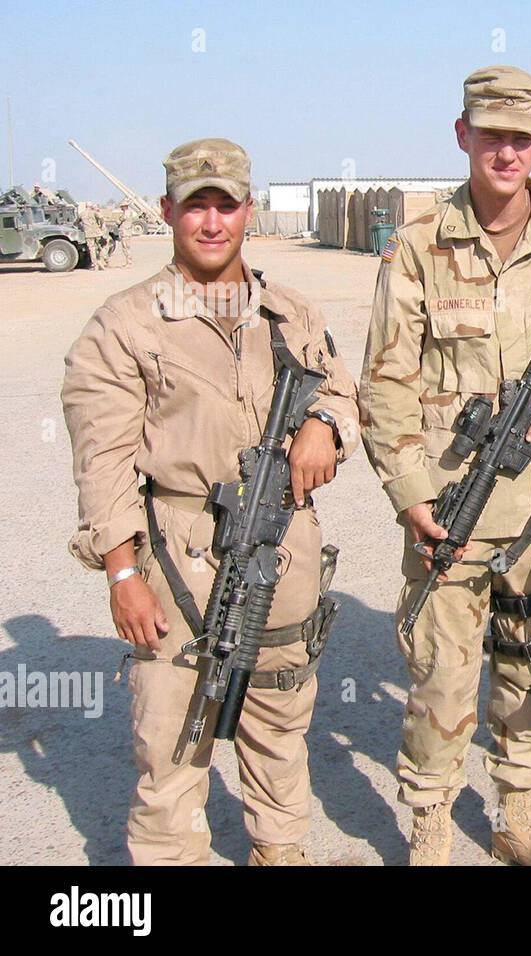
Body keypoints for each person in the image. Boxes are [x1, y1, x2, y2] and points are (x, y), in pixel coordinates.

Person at [359, 65, 531, 866]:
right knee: (442, 679)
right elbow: (384, 383)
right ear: (463, 137)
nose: (507, 152)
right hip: (452, 507)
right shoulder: (418, 246)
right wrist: (411, 493)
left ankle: (519, 816)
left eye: (522, 138)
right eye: (493, 137)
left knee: (529, 668)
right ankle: (431, 828)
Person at [61, 138, 360, 865]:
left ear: (248, 211)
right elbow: (102, 460)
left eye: (226, 204)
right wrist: (122, 574)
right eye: (196, 205)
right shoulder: (124, 324)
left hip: (283, 548)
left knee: (279, 731)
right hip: (178, 554)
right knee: (171, 746)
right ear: (168, 211)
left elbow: (346, 392)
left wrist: (326, 425)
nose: (212, 220)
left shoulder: (290, 312)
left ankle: (280, 853)